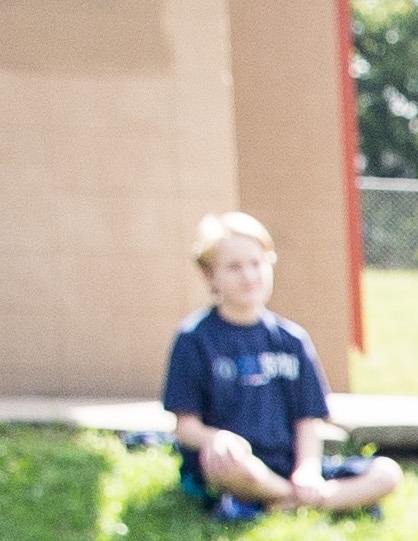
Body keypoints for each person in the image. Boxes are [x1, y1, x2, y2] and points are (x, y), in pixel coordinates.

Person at [160, 212, 399, 520]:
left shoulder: (291, 340)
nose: (248, 276)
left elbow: (308, 420)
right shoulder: (194, 339)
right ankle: (300, 500)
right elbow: (186, 428)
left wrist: (307, 471)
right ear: (210, 276)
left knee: (387, 473)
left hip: (288, 462)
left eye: (256, 263)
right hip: (236, 466)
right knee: (227, 467)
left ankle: (281, 499)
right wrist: (215, 439)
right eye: (234, 267)